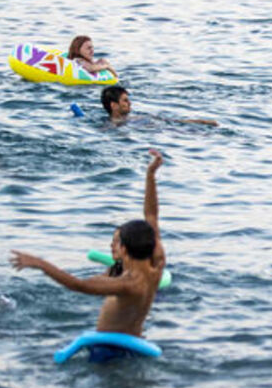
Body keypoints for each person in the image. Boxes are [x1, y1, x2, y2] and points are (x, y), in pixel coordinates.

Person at [11, 150, 167, 360]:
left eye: (117, 242)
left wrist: (40, 263)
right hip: (135, 345)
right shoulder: (157, 266)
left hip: (108, 351)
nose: (113, 245)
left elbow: (78, 285)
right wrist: (150, 175)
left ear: (124, 250)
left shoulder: (128, 283)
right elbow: (151, 216)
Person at [101, 86, 218, 127]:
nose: (130, 103)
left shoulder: (132, 118)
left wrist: (202, 122)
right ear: (114, 105)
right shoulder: (112, 126)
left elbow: (173, 121)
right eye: (125, 100)